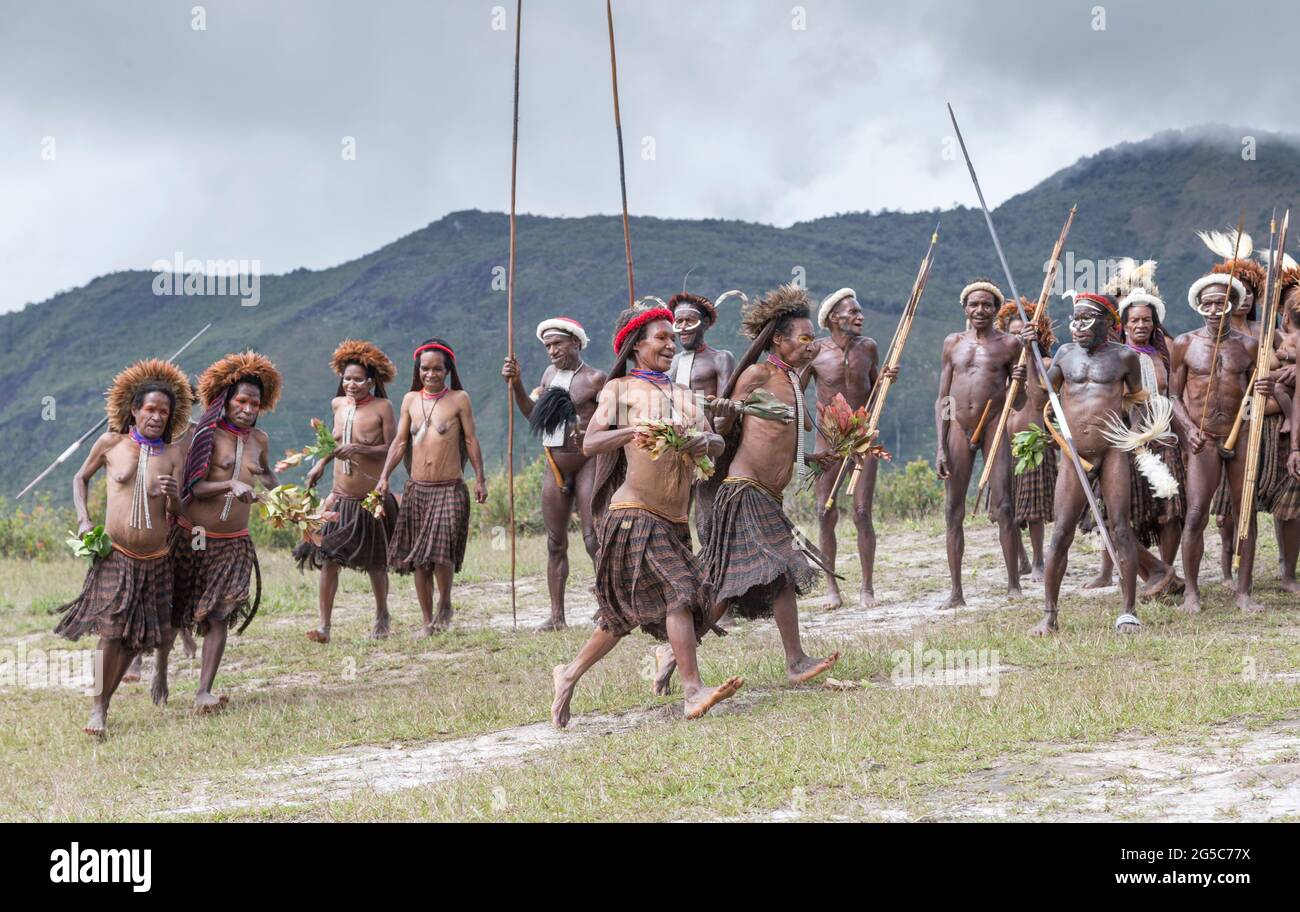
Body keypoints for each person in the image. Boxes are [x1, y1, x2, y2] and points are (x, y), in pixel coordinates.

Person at [551, 304, 743, 727]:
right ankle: (693, 691)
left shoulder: (685, 395)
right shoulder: (621, 390)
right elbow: (592, 443)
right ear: (636, 345)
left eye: (673, 339)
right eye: (661, 339)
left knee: (620, 618)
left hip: (674, 519)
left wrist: (703, 442)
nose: (670, 345)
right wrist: (634, 431)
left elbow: (715, 442)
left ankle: (568, 674)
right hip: (633, 512)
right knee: (678, 592)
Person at [54, 360, 191, 737]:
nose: (157, 417)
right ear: (134, 410)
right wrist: (84, 520)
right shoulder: (112, 444)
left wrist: (174, 497)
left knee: (137, 637)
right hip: (116, 555)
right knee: (111, 632)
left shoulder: (173, 454)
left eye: (164, 412)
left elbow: (177, 513)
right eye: (150, 409)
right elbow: (79, 478)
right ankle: (97, 709)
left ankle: (107, 699)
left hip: (155, 559)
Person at [161, 351, 281, 712]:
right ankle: (158, 668)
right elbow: (191, 489)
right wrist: (230, 485)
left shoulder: (259, 439)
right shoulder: (202, 436)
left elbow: (266, 474)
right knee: (175, 610)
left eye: (254, 403)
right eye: (241, 401)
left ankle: (203, 691)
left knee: (219, 614)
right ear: (225, 401)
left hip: (234, 543)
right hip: (194, 537)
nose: (247, 408)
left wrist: (287, 499)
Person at [1038, 293, 1150, 634]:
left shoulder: (1125, 357)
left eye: (1087, 320)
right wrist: (1032, 352)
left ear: (1108, 323)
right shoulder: (1064, 354)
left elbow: (1139, 401)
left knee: (1120, 528)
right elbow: (1043, 392)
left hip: (1113, 449)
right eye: (1075, 319)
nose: (1078, 327)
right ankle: (1049, 614)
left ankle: (1128, 610)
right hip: (1074, 453)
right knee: (1060, 533)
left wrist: (1137, 438)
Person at [1170, 274, 1281, 613]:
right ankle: (1191, 592)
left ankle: (1244, 592)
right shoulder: (1184, 344)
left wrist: (1264, 389)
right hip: (1202, 439)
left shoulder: (1249, 347)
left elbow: (1261, 392)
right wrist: (1188, 428)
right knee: (1196, 513)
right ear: (1198, 306)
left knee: (1244, 512)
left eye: (1222, 302)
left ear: (1232, 305)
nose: (1215, 309)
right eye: (1208, 303)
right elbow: (1173, 396)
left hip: (1242, 435)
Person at [1083, 259, 1185, 596]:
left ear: (1154, 323)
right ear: (1123, 324)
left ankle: (1166, 573)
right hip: (1125, 441)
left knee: (1169, 509)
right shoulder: (1114, 356)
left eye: (1146, 320)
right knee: (1123, 513)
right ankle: (1137, 572)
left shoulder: (1165, 353)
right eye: (1134, 320)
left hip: (1164, 437)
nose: (1140, 325)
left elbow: (1173, 394)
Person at [935, 280, 1035, 609]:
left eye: (987, 305)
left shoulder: (1010, 344)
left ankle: (1013, 584)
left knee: (1005, 505)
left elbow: (1018, 401)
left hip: (993, 425)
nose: (980, 310)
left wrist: (1018, 383)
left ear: (996, 310)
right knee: (954, 510)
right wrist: (940, 446)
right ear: (965, 308)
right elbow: (943, 398)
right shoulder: (953, 343)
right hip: (958, 429)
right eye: (974, 304)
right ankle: (956, 592)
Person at [377, 338, 487, 633]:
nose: (431, 374)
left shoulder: (459, 399)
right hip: (417, 490)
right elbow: (400, 442)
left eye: (438, 369)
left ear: (447, 370)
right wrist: (384, 477)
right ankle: (428, 621)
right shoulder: (410, 400)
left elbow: (470, 440)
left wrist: (479, 478)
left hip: (449, 487)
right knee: (420, 559)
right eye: (425, 369)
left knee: (440, 553)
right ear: (419, 370)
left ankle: (446, 604)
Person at [502, 318, 606, 630]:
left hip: (588, 461)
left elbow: (611, 422)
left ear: (575, 342)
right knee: (554, 542)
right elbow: (533, 414)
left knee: (592, 539)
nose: (551, 350)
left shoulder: (595, 379)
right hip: (554, 463)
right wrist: (517, 383)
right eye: (547, 345)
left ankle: (608, 605)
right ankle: (557, 616)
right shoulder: (549, 376)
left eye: (557, 343)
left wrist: (585, 429)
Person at [298, 340, 399, 642]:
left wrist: (361, 448)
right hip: (339, 496)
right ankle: (324, 626)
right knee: (329, 557)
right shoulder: (338, 404)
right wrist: (319, 465)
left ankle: (382, 615)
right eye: (347, 378)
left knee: (375, 563)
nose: (351, 384)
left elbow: (394, 447)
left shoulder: (383, 407)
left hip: (369, 499)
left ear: (371, 381)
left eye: (358, 379)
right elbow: (334, 441)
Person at [805, 288, 890, 609]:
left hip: (863, 439)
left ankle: (866, 588)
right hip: (828, 441)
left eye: (859, 311)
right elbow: (795, 394)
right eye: (853, 312)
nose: (860, 317)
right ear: (832, 319)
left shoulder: (868, 347)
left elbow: (875, 389)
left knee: (861, 512)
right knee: (824, 512)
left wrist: (885, 381)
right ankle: (831, 589)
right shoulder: (815, 352)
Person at [995, 299, 1057, 582]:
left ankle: (1039, 560)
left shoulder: (1045, 363)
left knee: (1033, 510)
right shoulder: (1003, 365)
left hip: (1033, 441)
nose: (1019, 338)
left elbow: (1038, 398)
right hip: (1005, 442)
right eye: (1014, 334)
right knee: (1005, 505)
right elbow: (999, 401)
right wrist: (1012, 380)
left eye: (1024, 333)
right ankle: (1019, 558)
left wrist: (1028, 368)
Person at [667, 291, 736, 546]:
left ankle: (713, 574)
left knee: (707, 519)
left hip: (709, 446)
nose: (682, 326)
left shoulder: (721, 358)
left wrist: (712, 442)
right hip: (674, 444)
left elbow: (725, 407)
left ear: (704, 323)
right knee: (675, 515)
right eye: (678, 321)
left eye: (689, 320)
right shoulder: (672, 362)